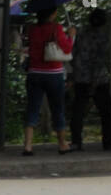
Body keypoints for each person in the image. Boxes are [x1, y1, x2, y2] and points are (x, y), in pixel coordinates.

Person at [22, 8, 75, 156]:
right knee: (57, 108)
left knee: (32, 108)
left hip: (34, 73)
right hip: (53, 73)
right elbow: (67, 48)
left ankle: (27, 146)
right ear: (51, 14)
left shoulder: (32, 29)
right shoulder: (56, 28)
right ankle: (62, 144)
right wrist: (71, 36)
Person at [69, 8, 111, 151]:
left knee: (78, 110)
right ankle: (107, 142)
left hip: (81, 78)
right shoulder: (103, 37)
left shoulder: (81, 34)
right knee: (106, 112)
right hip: (100, 79)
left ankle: (76, 141)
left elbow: (74, 55)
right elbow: (100, 60)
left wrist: (75, 73)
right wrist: (95, 81)